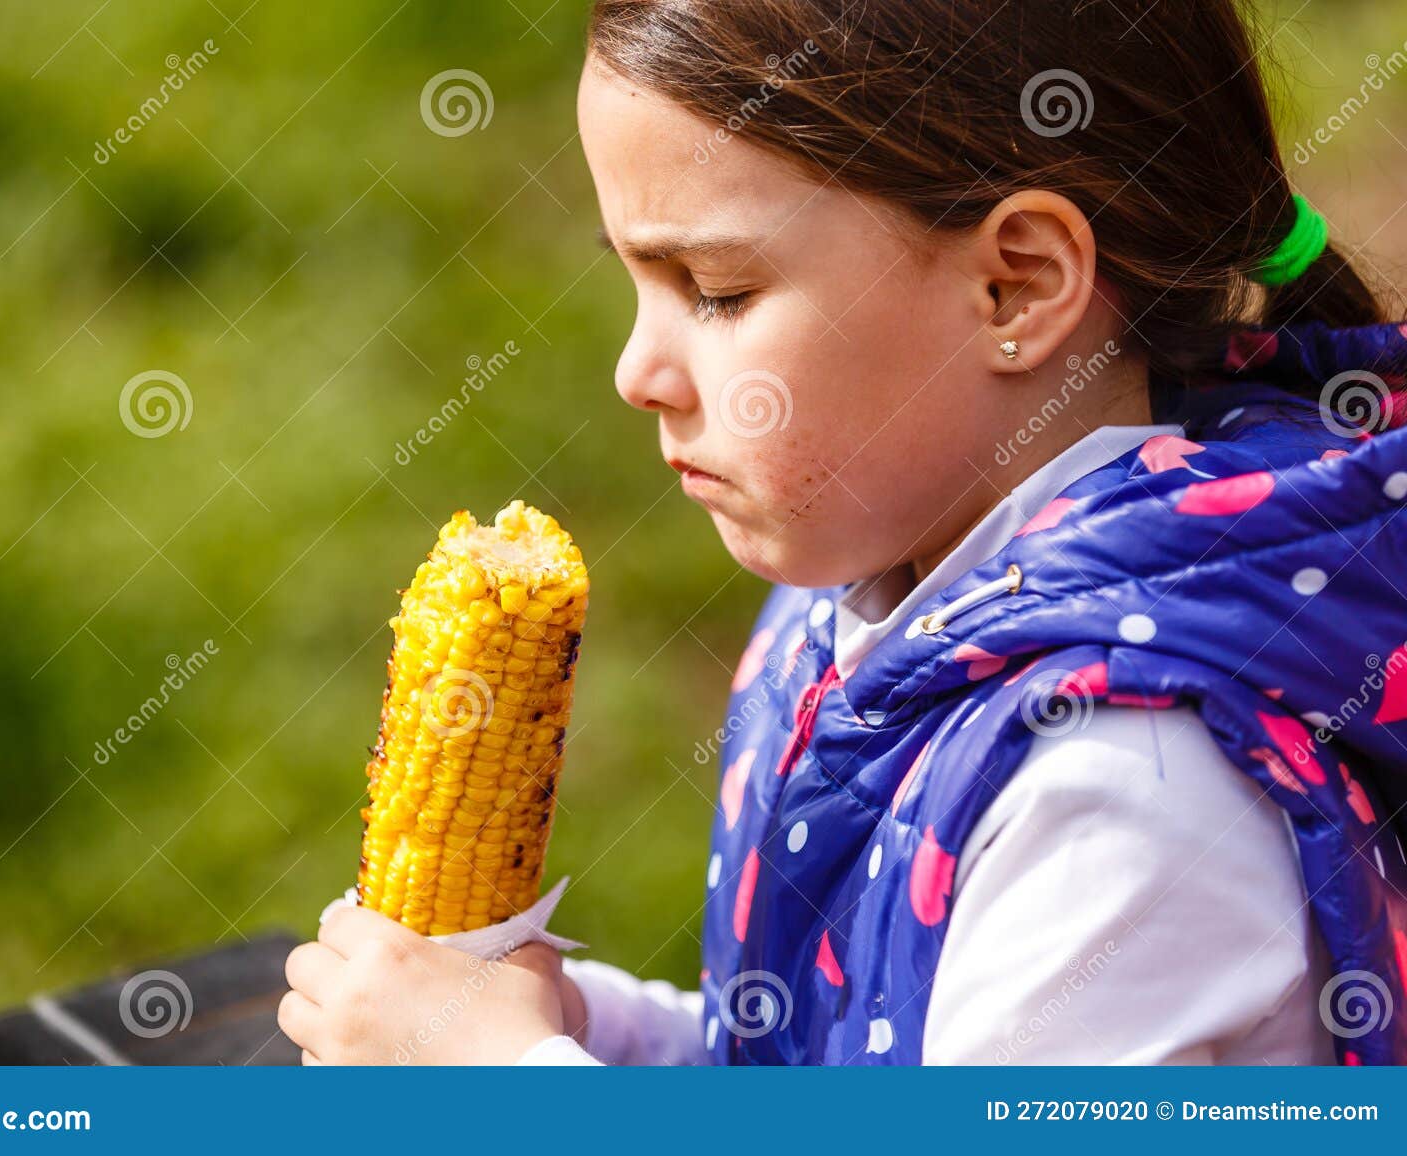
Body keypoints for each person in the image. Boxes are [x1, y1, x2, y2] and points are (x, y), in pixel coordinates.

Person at [280, 0, 1407, 1065]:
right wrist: (575, 1026)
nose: (635, 373)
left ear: (1015, 287)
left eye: (714, 289)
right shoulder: (884, 580)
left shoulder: (1120, 790)